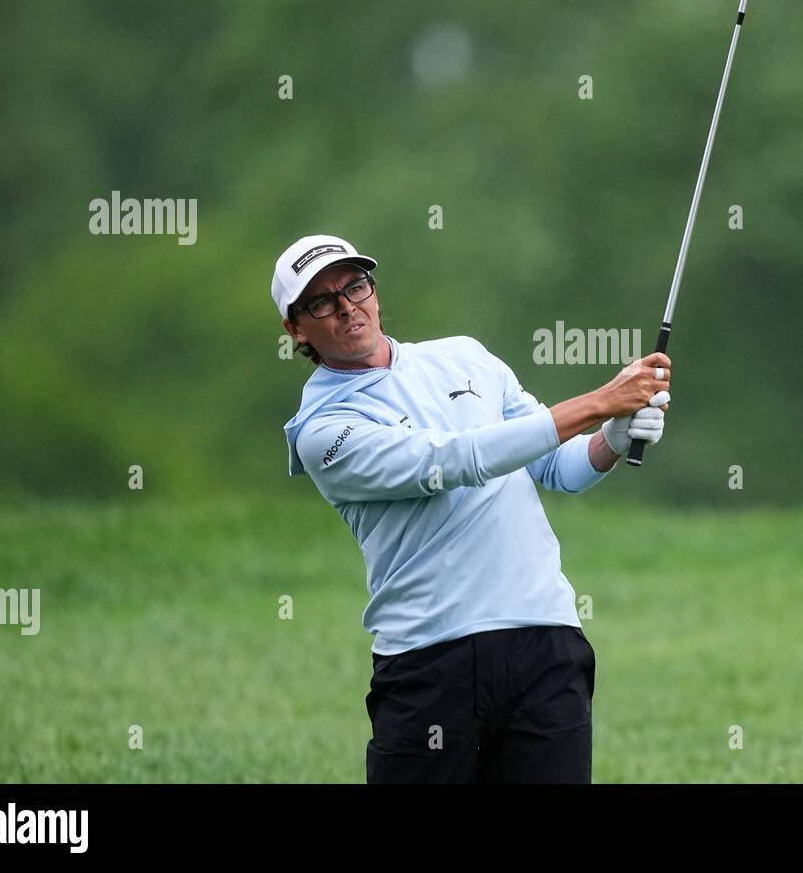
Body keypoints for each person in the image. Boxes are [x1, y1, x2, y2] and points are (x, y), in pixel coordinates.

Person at [271, 234, 673, 783]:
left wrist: (614, 435)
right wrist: (600, 402)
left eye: (355, 286)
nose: (346, 307)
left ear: (374, 290)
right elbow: (456, 460)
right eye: (321, 301)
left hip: (544, 640)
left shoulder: (465, 357)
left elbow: (559, 468)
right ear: (296, 329)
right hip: (429, 660)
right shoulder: (322, 432)